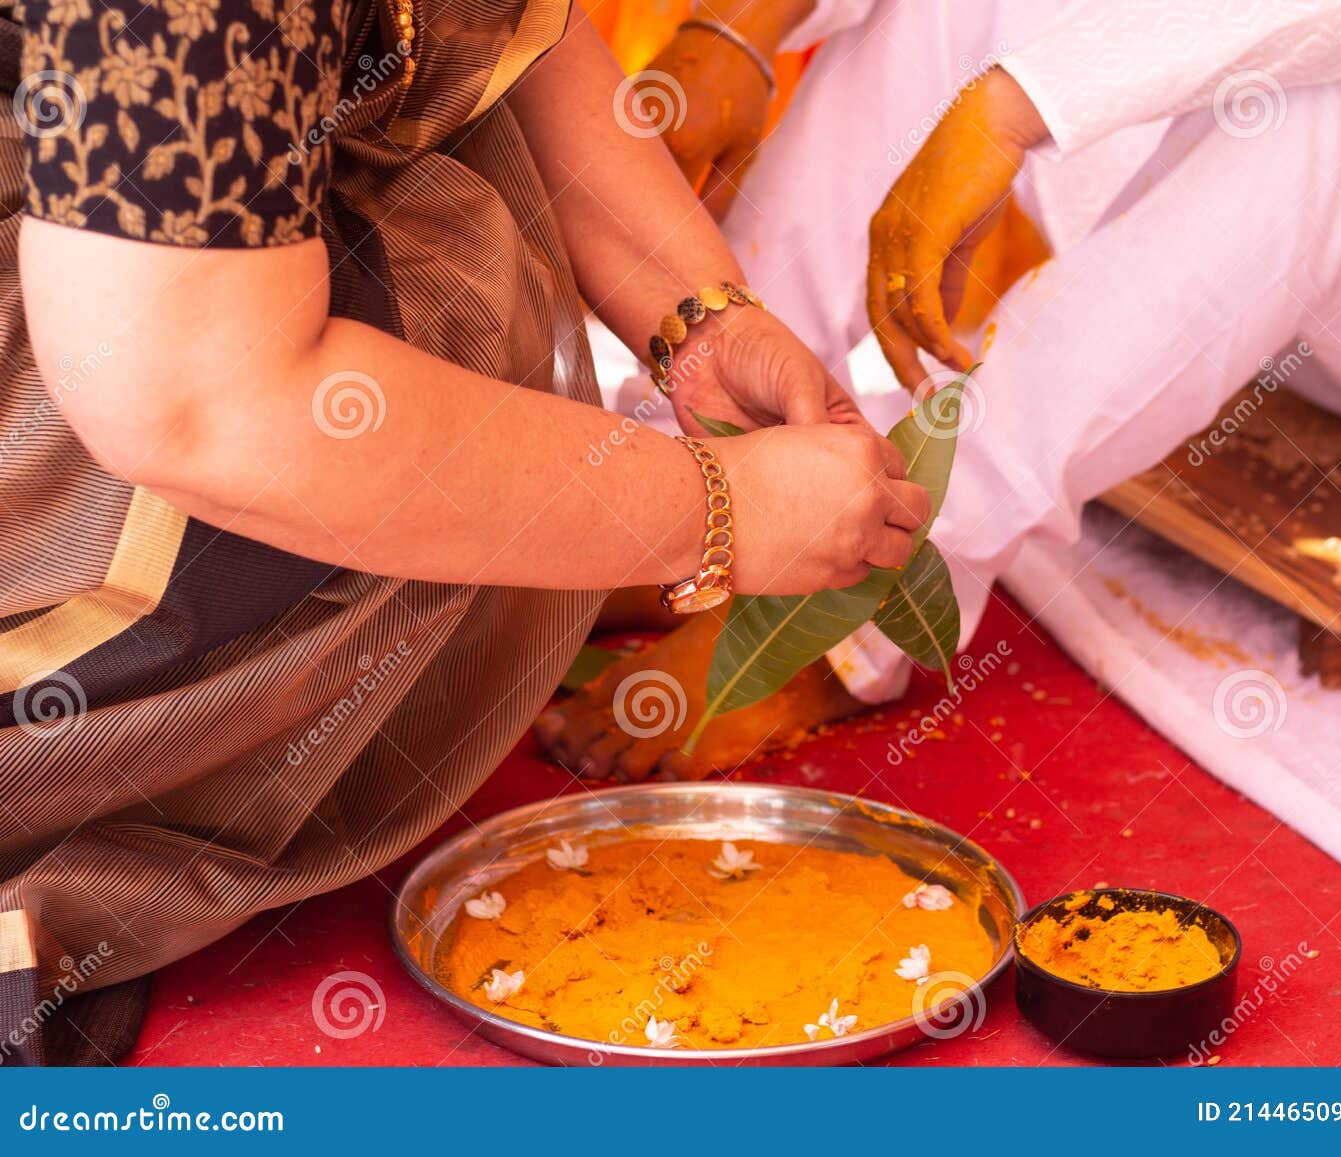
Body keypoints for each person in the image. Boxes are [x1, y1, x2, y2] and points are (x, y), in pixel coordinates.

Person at [0, 0, 930, 1063]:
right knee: (375, 392)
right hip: (119, 371)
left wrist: (697, 319)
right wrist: (718, 509)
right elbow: (199, 396)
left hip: (173, 304)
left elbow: (492, 21)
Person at [539, 0, 1341, 778]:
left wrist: (1011, 106)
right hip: (1328, 230)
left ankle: (865, 591)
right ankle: (710, 474)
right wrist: (737, 33)